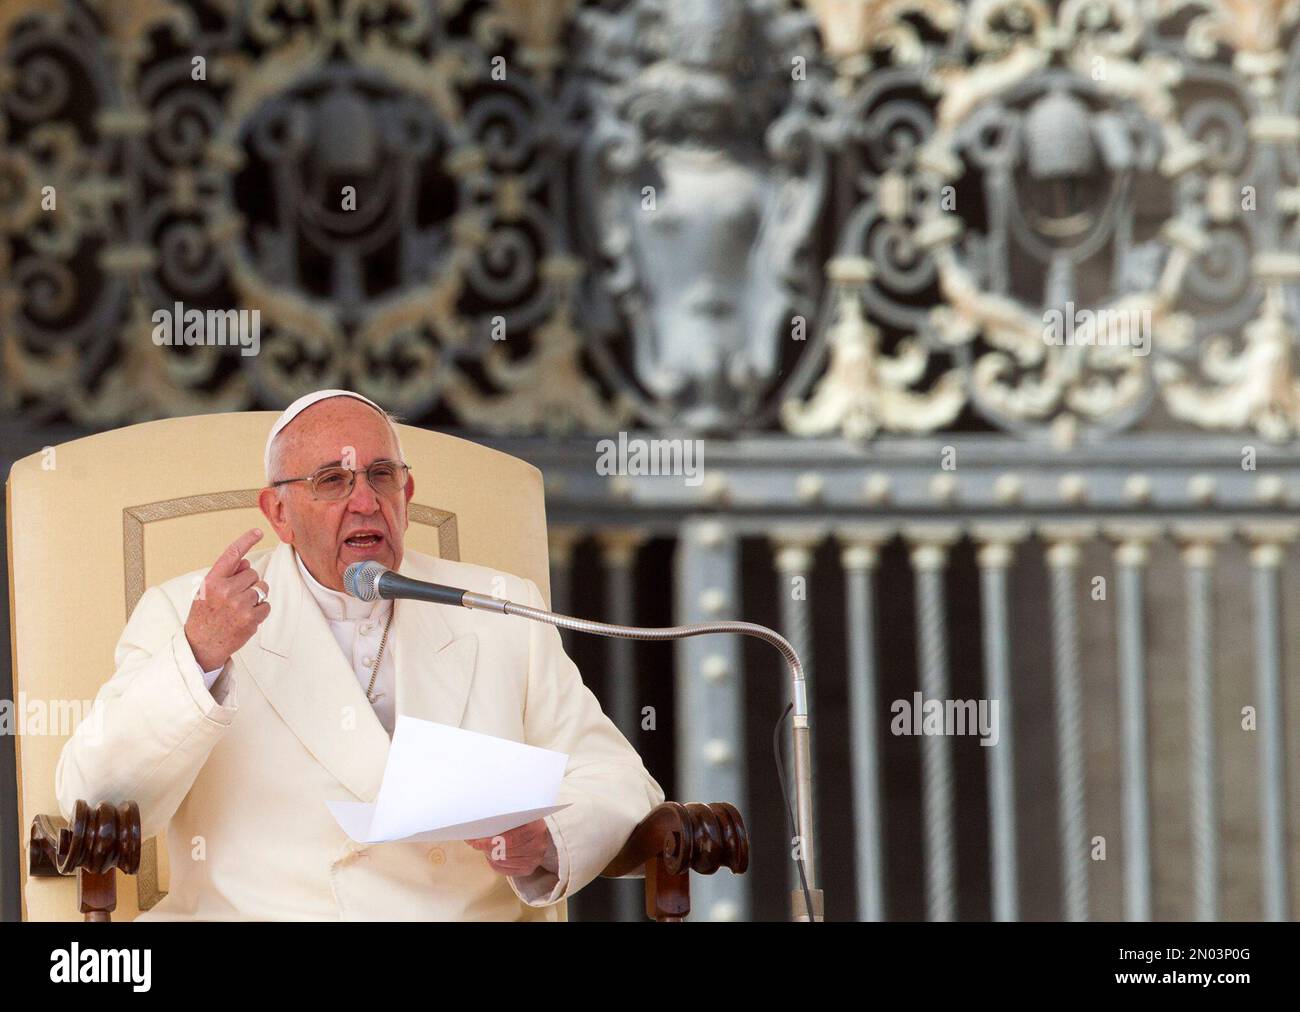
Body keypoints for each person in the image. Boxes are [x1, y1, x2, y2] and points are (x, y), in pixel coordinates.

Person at [55, 389, 664, 920]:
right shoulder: (189, 614)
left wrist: (548, 838)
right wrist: (200, 655)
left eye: (381, 476)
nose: (366, 501)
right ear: (278, 513)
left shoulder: (501, 609)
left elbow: (618, 779)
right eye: (333, 481)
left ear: (408, 492)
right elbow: (95, 795)